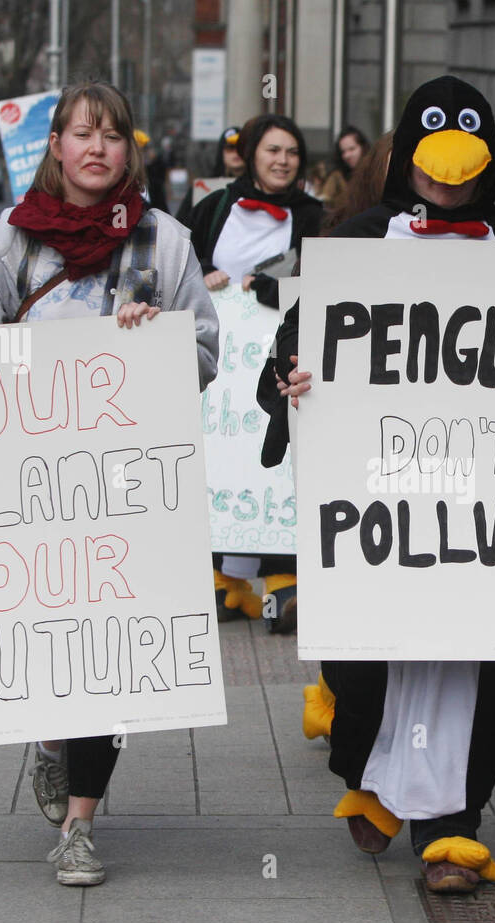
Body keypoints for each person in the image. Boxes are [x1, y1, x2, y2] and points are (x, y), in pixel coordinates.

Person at [272, 77, 495, 894]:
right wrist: (293, 376)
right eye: (432, 159)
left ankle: (454, 827)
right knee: (369, 661)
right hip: (385, 497)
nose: (448, 178)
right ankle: (370, 775)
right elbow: (286, 349)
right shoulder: (356, 242)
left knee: (483, 664)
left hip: (489, 504)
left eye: (464, 161)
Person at [0, 81, 220, 887]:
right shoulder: (14, 241)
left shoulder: (164, 242)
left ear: (131, 150)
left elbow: (204, 353)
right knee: (53, 636)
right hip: (30, 484)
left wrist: (156, 337)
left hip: (126, 485)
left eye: (112, 135)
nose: (97, 148)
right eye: (81, 134)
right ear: (55, 146)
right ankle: (52, 740)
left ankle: (79, 826)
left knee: (110, 658)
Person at [183, 113, 324, 631]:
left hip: (284, 360)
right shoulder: (214, 206)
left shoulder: (316, 215)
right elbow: (179, 263)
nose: (283, 160)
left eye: (292, 152)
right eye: (273, 150)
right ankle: (226, 580)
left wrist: (268, 287)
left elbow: (323, 278)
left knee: (277, 453)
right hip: (224, 364)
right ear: (251, 155)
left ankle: (283, 584)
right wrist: (204, 274)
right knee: (223, 457)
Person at [320, 125, 371, 217]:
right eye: (343, 152)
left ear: (363, 147)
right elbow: (325, 201)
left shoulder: (374, 173)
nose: (347, 155)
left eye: (352, 149)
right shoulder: (337, 176)